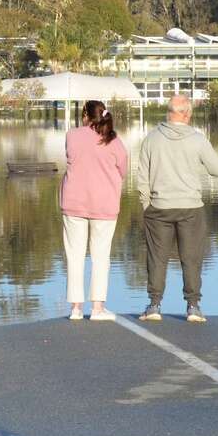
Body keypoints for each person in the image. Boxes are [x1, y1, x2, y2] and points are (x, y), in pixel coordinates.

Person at [135, 93, 218, 323]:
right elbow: (217, 169)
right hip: (190, 207)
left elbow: (142, 176)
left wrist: (146, 204)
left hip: (158, 207)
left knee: (157, 258)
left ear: (168, 112)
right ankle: (193, 306)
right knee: (191, 257)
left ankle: (154, 305)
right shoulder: (197, 139)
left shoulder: (152, 138)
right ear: (187, 114)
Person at [60, 99, 129, 321]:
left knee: (74, 255)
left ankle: (76, 308)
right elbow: (123, 168)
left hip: (74, 202)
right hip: (104, 203)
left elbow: (72, 157)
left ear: (85, 115)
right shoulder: (114, 141)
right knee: (101, 256)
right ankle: (98, 308)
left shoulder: (72, 135)